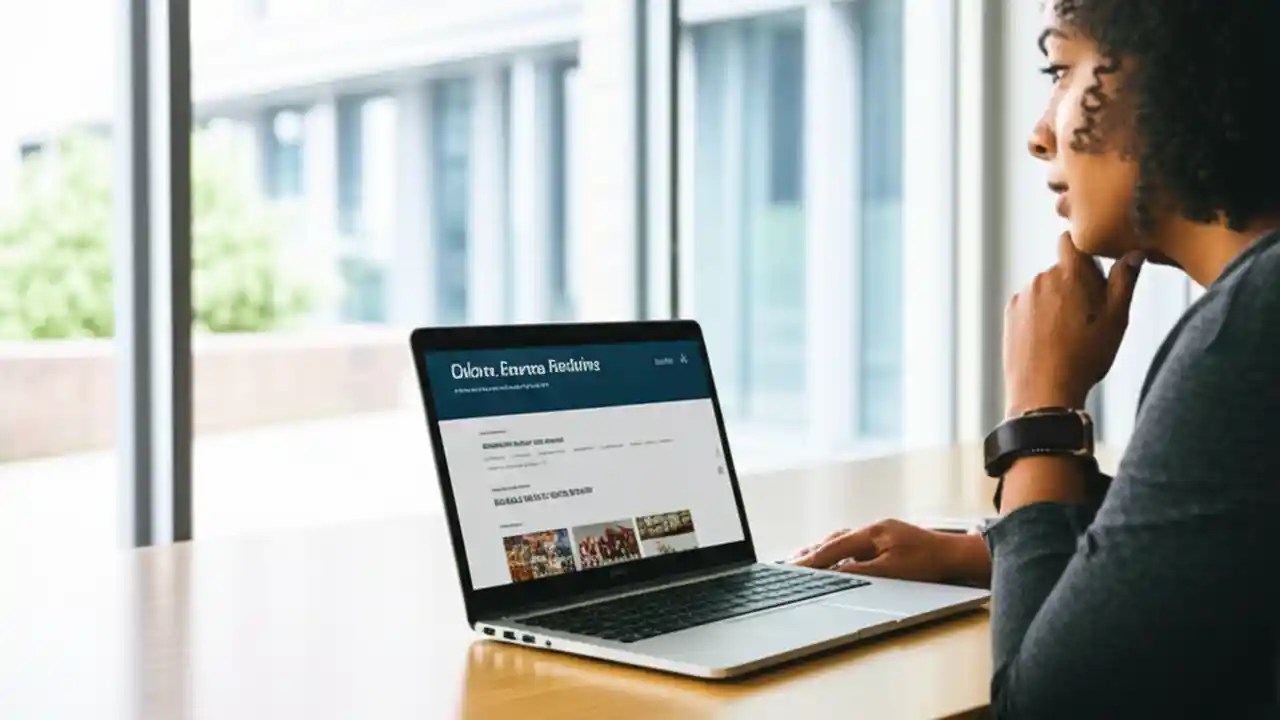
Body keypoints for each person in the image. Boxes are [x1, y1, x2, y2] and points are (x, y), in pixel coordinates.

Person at [792, 1, 1280, 716]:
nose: (1039, 133)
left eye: (1062, 71)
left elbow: (1044, 709)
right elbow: (1237, 539)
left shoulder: (1245, 333)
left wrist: (1039, 412)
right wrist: (993, 552)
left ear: (1178, 76)